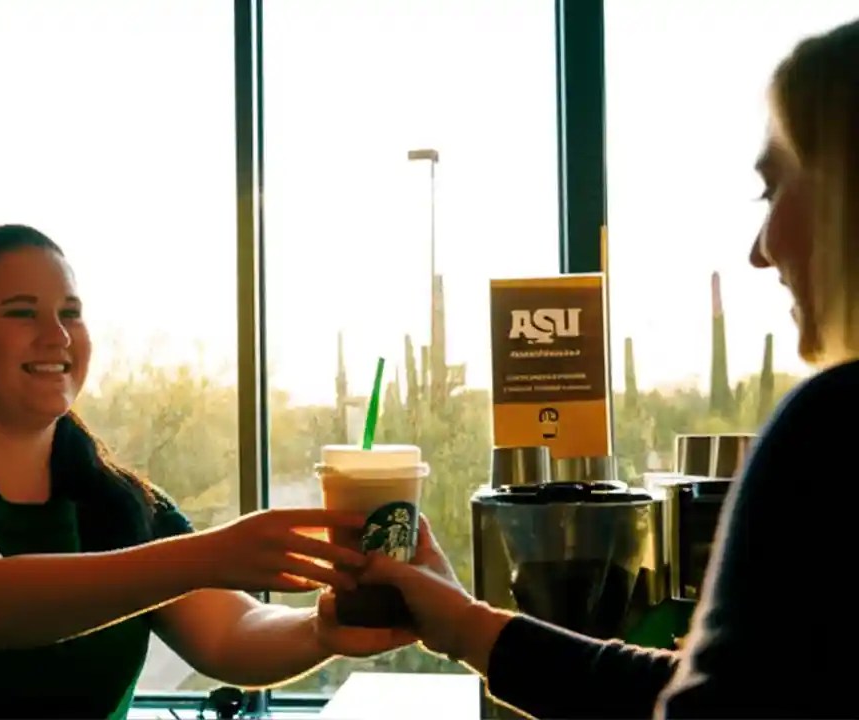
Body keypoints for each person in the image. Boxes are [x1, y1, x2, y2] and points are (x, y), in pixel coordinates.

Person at [360, 17, 859, 720]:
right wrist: (465, 625)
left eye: (773, 190)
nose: (761, 247)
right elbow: (728, 690)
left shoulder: (833, 427)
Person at [0, 224, 416, 719]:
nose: (56, 335)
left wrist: (323, 631)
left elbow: (232, 632)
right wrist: (208, 555)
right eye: (21, 312)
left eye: (70, 311)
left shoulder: (118, 502)